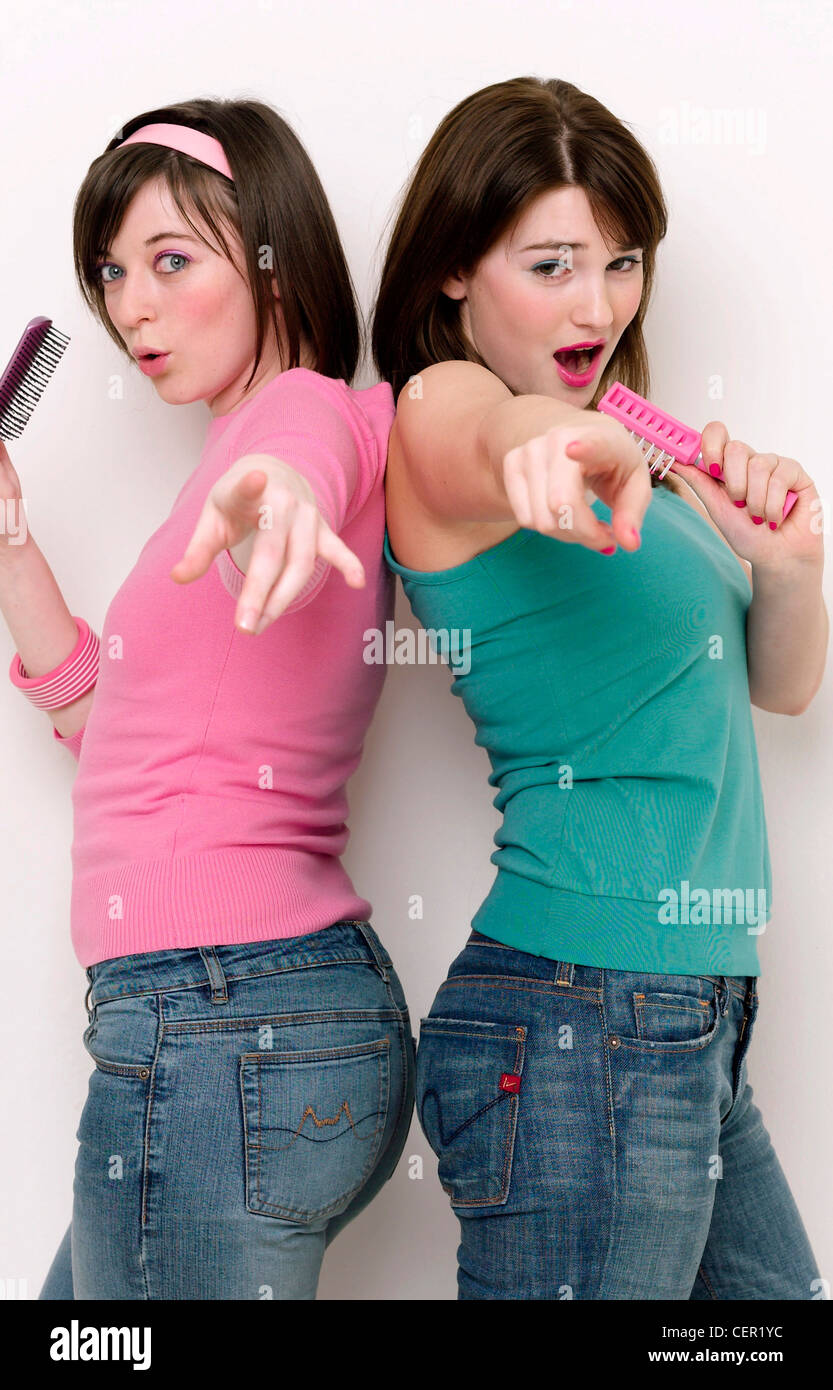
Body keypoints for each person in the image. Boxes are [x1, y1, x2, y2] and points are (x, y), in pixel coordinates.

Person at [371, 76, 826, 1299]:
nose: (598, 302)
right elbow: (490, 429)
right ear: (456, 271)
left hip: (685, 1021)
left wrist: (782, 560)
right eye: (553, 264)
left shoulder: (642, 456)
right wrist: (550, 441)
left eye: (620, 263)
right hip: (583, 1017)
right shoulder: (438, 408)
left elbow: (777, 690)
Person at [1, 96, 414, 1300]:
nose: (131, 305)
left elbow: (309, 448)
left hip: (220, 1015)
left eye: (171, 261)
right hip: (247, 1018)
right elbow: (107, 728)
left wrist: (278, 489)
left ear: (273, 250)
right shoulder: (221, 474)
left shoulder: (293, 424)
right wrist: (13, 540)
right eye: (111, 272)